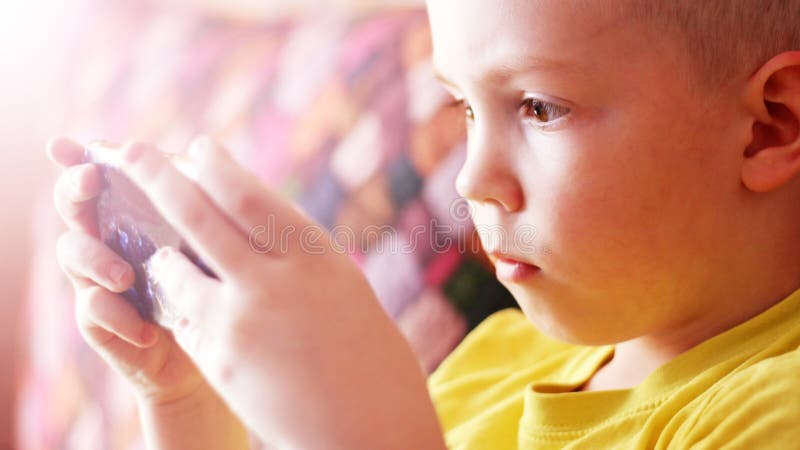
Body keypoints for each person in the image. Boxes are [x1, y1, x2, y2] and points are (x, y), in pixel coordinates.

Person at [47, 0, 800, 448]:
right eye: (465, 108)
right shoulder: (497, 357)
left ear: (769, 127)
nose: (471, 178)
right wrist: (185, 404)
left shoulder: (770, 413)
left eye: (539, 106)